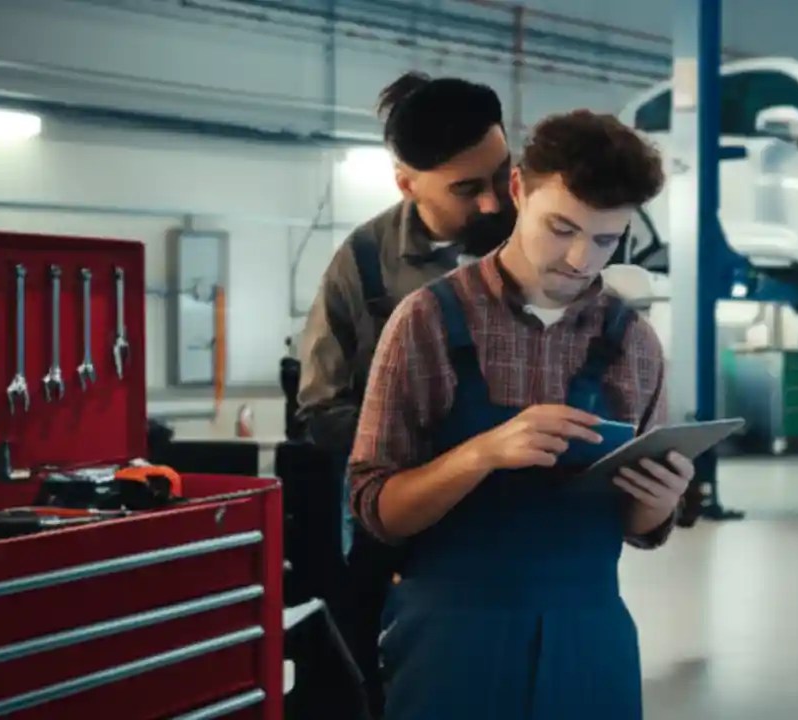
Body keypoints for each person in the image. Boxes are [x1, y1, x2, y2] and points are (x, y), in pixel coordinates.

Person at [348, 109, 695, 720]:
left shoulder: (634, 343)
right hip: (452, 646)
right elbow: (378, 512)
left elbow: (639, 529)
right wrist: (481, 453)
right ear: (517, 191)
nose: (582, 260)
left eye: (607, 240)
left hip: (591, 641)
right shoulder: (426, 322)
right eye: (561, 228)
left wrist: (661, 498)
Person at [294, 70, 515, 715]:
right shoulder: (364, 263)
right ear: (407, 182)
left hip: (518, 514)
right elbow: (321, 407)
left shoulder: (540, 235)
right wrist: (432, 448)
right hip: (405, 527)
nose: (495, 204)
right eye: (466, 188)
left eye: (502, 175)